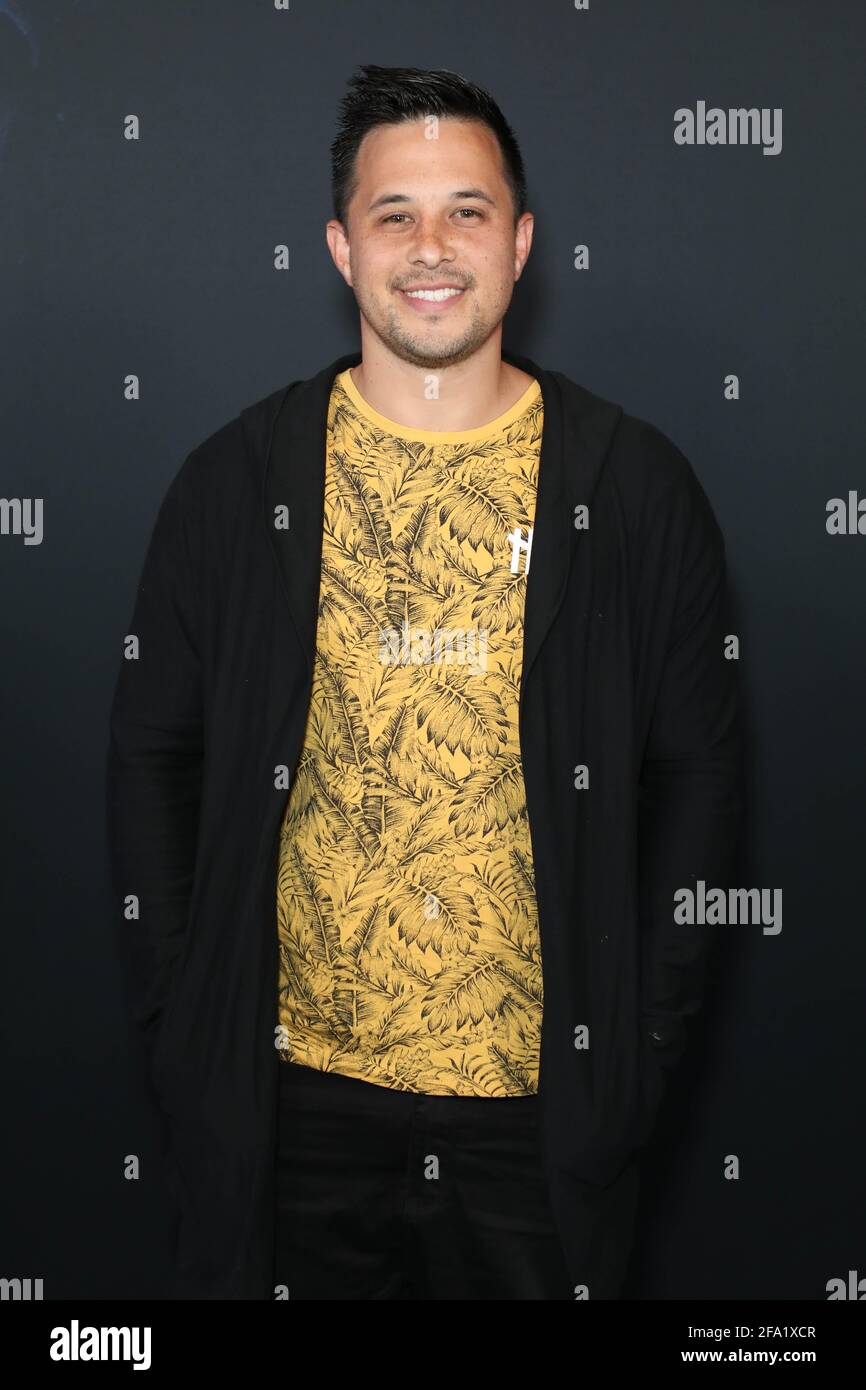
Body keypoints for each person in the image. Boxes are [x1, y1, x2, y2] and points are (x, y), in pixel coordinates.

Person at [107, 64, 744, 1300]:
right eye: (394, 214)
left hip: (539, 1118)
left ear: (520, 242)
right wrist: (186, 1028)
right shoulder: (237, 484)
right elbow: (152, 760)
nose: (430, 246)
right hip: (290, 1112)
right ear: (342, 248)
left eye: (465, 209)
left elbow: (698, 785)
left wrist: (638, 1045)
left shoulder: (632, 488)